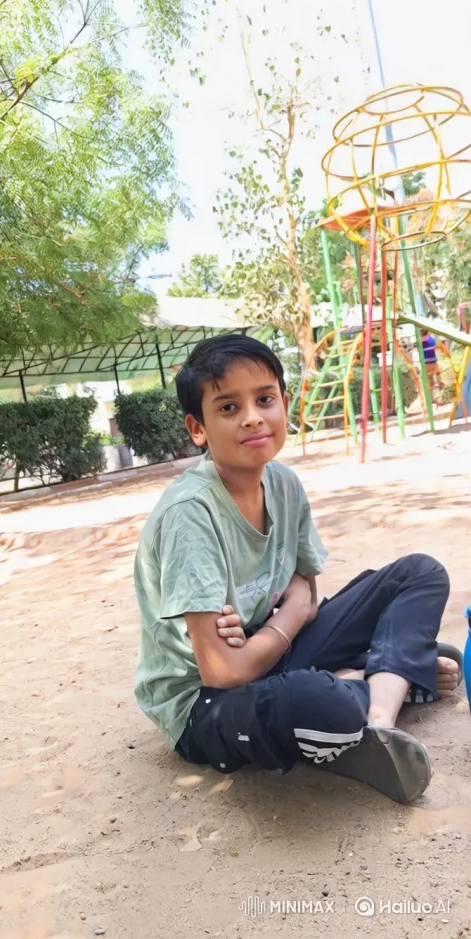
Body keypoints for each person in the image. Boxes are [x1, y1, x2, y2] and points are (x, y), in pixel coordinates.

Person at [134, 334, 461, 804]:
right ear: (197, 428)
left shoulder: (283, 483)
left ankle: (380, 720)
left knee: (419, 572)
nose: (251, 416)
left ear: (284, 404)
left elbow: (307, 587)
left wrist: (289, 614)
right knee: (315, 704)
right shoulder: (191, 515)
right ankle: (390, 670)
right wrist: (291, 614)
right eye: (227, 408)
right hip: (204, 705)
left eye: (264, 399)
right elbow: (223, 670)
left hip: (268, 654)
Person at [421, 328, 441, 394]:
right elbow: (437, 346)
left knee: (430, 379)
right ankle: (440, 395)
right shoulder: (430, 337)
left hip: (426, 361)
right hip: (433, 360)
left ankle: (432, 397)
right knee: (438, 378)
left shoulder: (420, 339)